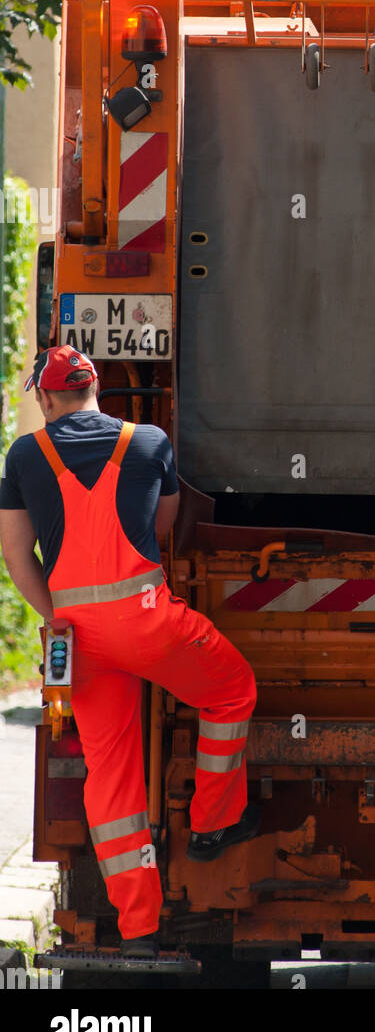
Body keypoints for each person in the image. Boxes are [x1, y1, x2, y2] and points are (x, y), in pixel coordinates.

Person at [0, 346, 259, 958]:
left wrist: (58, 617)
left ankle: (139, 931)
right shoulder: (149, 443)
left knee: (111, 777)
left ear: (45, 398)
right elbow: (161, 524)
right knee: (230, 690)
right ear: (96, 390)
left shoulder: (24, 456)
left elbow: (16, 554)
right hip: (149, 624)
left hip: (79, 642)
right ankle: (211, 822)